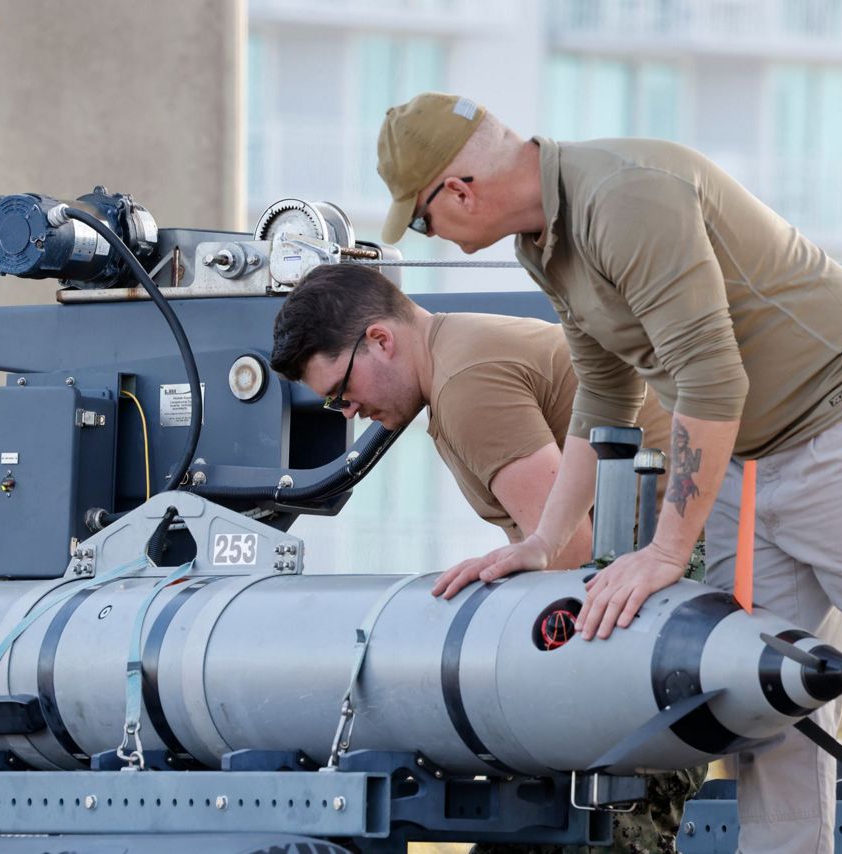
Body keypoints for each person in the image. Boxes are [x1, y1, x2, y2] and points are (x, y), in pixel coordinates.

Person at [374, 91, 842, 854]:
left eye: (420, 220)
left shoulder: (624, 198)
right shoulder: (543, 242)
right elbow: (604, 393)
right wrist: (544, 542)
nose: (433, 237)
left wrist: (665, 552)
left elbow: (713, 379)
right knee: (760, 706)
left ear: (458, 189)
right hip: (749, 462)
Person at [269, 263, 703, 853]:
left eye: (342, 393)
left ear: (379, 340)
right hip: (650, 564)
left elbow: (571, 555)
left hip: (668, 568)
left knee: (607, 829)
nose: (348, 413)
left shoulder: (464, 384)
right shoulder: (460, 353)